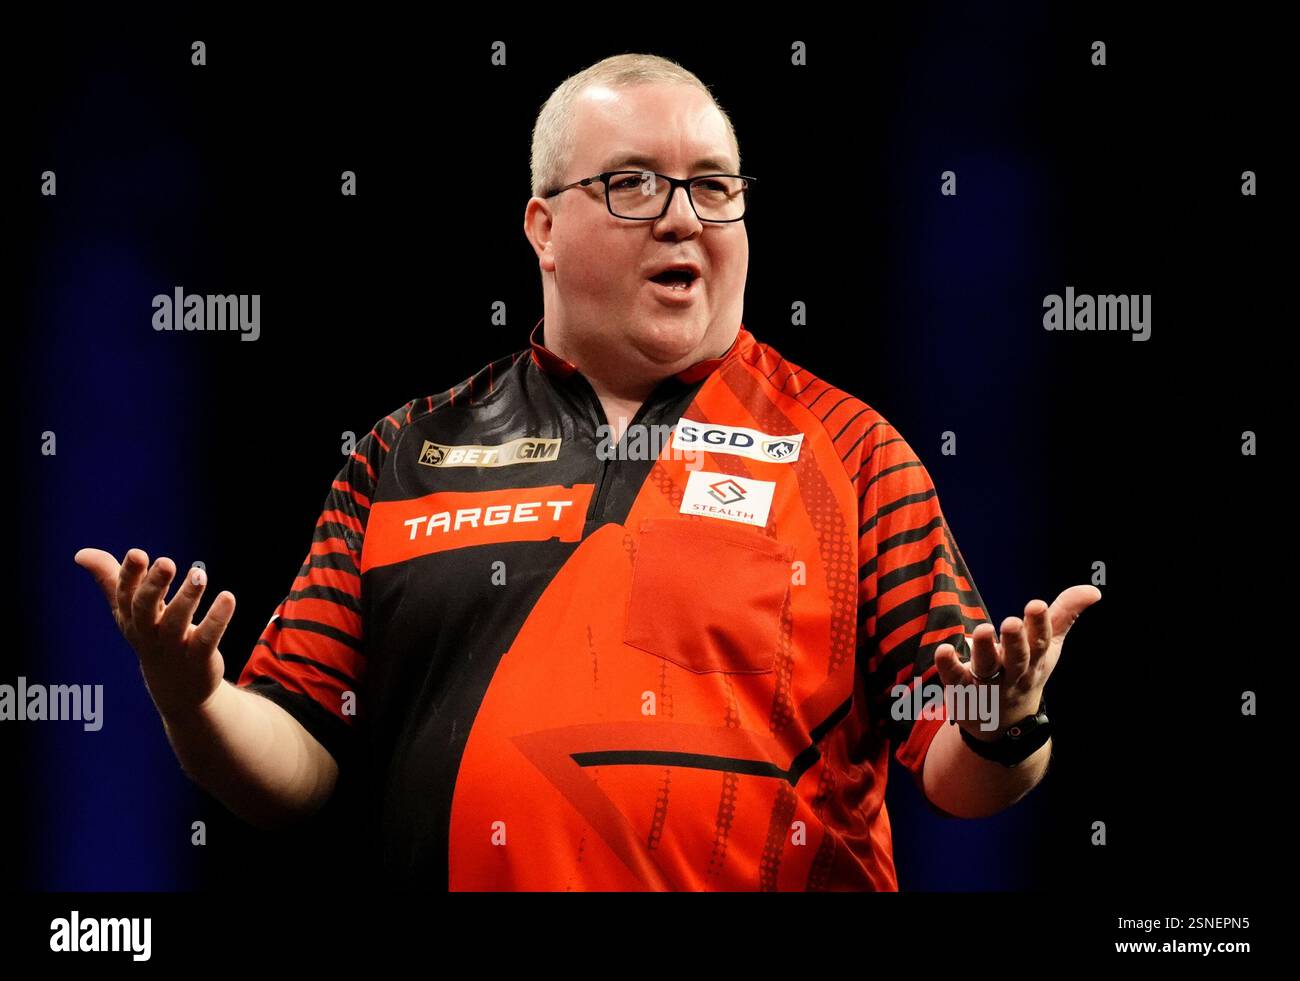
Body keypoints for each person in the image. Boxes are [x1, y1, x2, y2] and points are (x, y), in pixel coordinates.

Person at [75, 53, 1101, 890]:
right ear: (544, 228)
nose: (683, 217)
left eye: (714, 187)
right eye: (633, 183)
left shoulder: (855, 452)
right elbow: (295, 760)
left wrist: (1006, 718)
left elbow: (961, 777)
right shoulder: (404, 454)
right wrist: (194, 701)